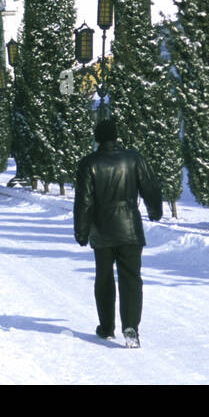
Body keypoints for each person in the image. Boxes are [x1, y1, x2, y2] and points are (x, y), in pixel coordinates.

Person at [73, 117, 163, 348]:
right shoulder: (133, 159)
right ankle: (131, 327)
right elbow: (150, 187)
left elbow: (83, 202)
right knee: (131, 278)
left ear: (97, 138)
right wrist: (155, 211)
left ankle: (106, 328)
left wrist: (81, 231)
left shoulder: (88, 163)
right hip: (130, 228)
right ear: (116, 137)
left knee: (104, 279)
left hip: (101, 230)